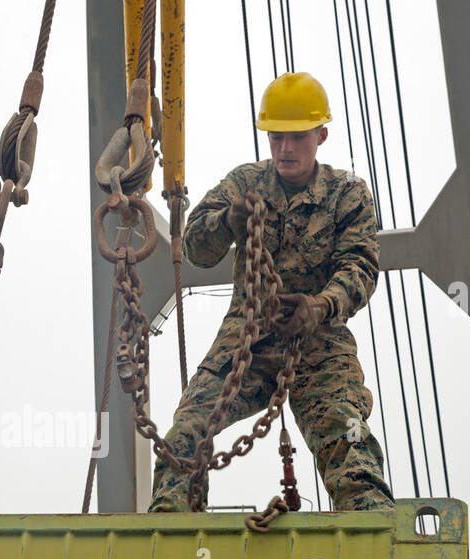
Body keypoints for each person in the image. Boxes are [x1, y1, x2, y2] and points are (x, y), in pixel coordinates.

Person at [149, 71, 394, 513]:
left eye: (297, 137)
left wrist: (319, 306)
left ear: (321, 135)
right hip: (248, 338)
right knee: (187, 429)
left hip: (321, 341)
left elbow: (360, 267)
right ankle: (170, 527)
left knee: (346, 433)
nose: (284, 148)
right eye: (276, 137)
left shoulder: (347, 194)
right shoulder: (244, 185)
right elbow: (196, 250)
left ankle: (372, 529)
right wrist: (227, 222)